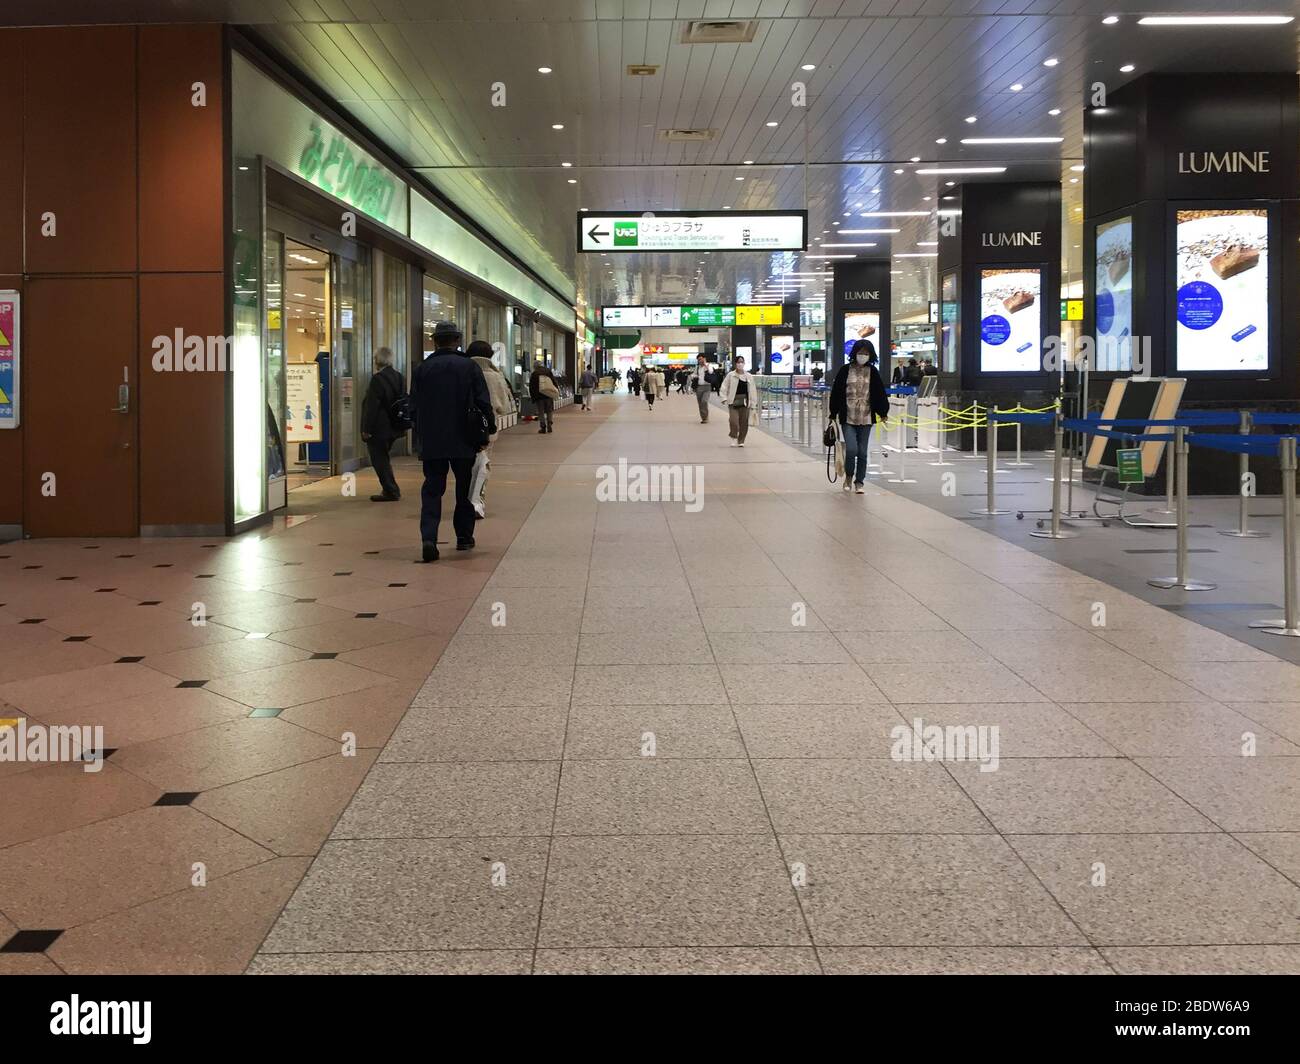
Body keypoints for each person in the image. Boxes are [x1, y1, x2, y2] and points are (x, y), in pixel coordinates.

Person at [410, 321, 495, 561]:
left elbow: (413, 406)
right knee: (464, 489)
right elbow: (483, 401)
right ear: (457, 341)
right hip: (464, 439)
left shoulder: (423, 369)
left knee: (432, 490)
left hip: (433, 440)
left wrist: (421, 434)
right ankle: (464, 537)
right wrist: (488, 430)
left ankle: (429, 538)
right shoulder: (468, 367)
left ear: (435, 341)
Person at [829, 339, 889, 495]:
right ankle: (848, 476)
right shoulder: (845, 370)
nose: (863, 355)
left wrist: (883, 412)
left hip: (866, 416)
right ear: (854, 353)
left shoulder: (873, 372)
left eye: (866, 353)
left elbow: (879, 393)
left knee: (862, 452)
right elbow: (836, 392)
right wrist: (833, 412)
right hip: (848, 416)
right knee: (852, 448)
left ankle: (859, 481)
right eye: (860, 352)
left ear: (871, 355)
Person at [466, 339, 513, 518]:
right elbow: (505, 407)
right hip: (487, 428)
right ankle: (476, 501)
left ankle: (465, 500)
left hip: (462, 427)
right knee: (483, 464)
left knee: (464, 465)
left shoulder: (462, 372)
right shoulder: (495, 375)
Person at [359, 346, 407, 502]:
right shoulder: (399, 377)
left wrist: (366, 429)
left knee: (379, 460)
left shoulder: (377, 379)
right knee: (383, 458)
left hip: (379, 427)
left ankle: (391, 490)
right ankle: (390, 488)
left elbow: (372, 406)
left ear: (378, 360)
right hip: (394, 425)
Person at [719, 354, 757, 447]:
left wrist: (753, 404)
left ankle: (741, 440)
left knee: (744, 422)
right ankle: (734, 437)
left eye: (741, 362)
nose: (740, 364)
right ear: (735, 364)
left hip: (745, 402)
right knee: (733, 421)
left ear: (744, 363)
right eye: (738, 362)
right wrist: (724, 398)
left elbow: (752, 390)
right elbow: (724, 387)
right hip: (733, 401)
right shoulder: (731, 375)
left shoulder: (748, 376)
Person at [529, 356, 558, 433]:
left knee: (541, 411)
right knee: (549, 410)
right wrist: (555, 391)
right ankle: (549, 424)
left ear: (535, 367)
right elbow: (554, 382)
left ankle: (543, 427)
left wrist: (532, 397)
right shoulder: (548, 371)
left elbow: (531, 386)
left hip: (539, 396)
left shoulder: (534, 374)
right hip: (548, 393)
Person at [691, 354, 712, 423]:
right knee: (700, 403)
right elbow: (693, 375)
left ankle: (706, 417)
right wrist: (695, 376)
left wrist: (705, 365)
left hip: (707, 387)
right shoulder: (697, 367)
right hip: (699, 387)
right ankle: (703, 418)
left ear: (704, 359)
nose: (700, 361)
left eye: (701, 359)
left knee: (704, 401)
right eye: (698, 359)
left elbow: (711, 372)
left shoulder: (708, 365)